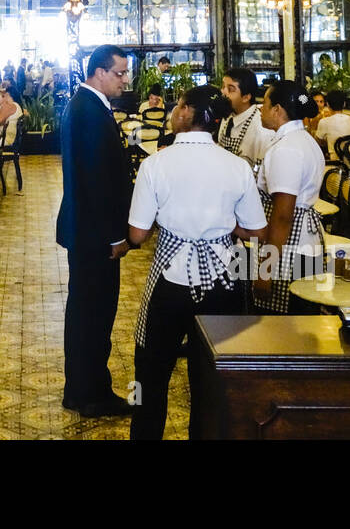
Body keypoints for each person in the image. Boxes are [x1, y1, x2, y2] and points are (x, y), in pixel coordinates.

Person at [126, 85, 266, 440]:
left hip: (171, 280)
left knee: (152, 372)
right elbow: (256, 231)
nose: (174, 111)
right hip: (224, 279)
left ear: (188, 113)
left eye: (178, 105)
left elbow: (138, 234)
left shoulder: (155, 163)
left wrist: (171, 220)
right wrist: (221, 225)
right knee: (211, 378)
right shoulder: (236, 166)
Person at [56, 44, 134, 418]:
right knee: (94, 315)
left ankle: (81, 389)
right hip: (93, 235)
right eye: (119, 73)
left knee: (86, 312)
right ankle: (91, 395)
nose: (125, 80)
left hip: (86, 231)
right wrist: (114, 236)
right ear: (99, 72)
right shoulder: (88, 110)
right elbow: (96, 181)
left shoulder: (86, 105)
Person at [253, 80, 326, 314]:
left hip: (291, 249)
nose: (260, 109)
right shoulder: (304, 140)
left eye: (264, 103)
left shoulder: (287, 148)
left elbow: (283, 214)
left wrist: (266, 270)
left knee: (282, 326)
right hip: (306, 244)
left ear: (277, 109)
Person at [218, 67, 272, 168]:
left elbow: (260, 172)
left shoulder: (261, 130)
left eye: (230, 89)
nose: (223, 92)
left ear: (246, 97)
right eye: (223, 87)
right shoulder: (227, 116)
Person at [314, 89, 350, 159]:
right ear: (344, 104)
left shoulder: (324, 122)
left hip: (336, 164)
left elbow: (317, 142)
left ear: (327, 104)